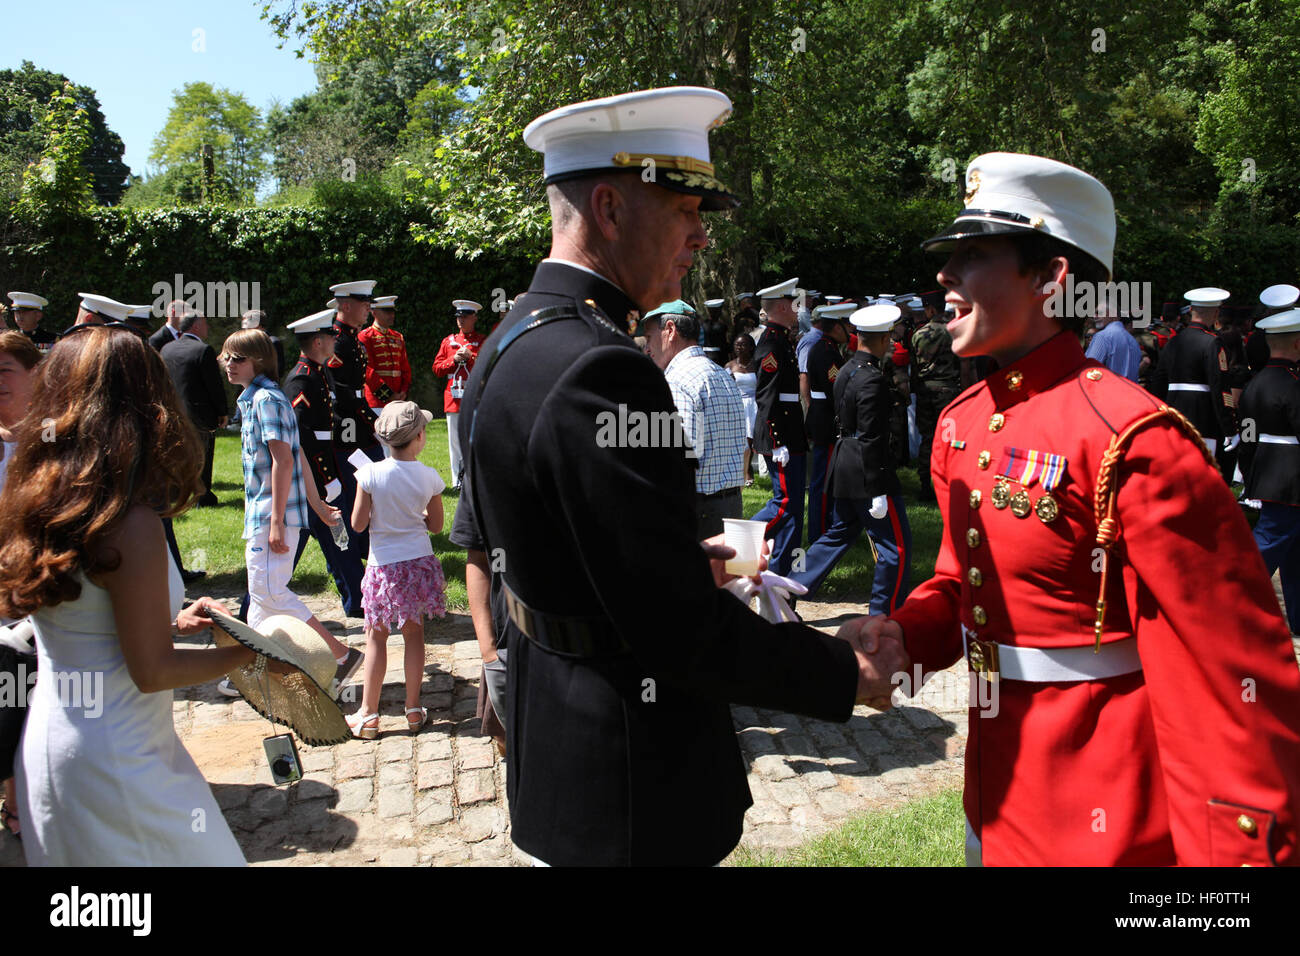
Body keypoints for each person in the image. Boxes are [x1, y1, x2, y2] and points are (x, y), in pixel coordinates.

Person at [459, 86, 900, 867]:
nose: (700, 234)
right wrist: (842, 669)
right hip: (630, 774)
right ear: (609, 205)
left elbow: (530, 547)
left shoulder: (510, 339)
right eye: (684, 207)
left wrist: (662, 560)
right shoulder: (603, 367)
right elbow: (677, 630)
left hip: (559, 745)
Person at [857, 151, 1300, 866]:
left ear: (1050, 278)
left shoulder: (1135, 438)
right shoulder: (961, 423)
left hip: (1109, 810)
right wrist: (904, 641)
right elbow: (960, 584)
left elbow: (1231, 670)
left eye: (973, 255)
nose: (944, 275)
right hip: (996, 789)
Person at [0, 327, 254, 865]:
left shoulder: (42, 499)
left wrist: (169, 619)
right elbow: (151, 671)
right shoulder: (128, 522)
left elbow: (82, 618)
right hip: (119, 757)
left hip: (53, 747)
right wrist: (251, 656)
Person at [219, 328, 363, 695]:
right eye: (226, 357)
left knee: (271, 595)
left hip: (271, 515)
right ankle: (255, 671)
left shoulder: (267, 399)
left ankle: (340, 655)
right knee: (261, 604)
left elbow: (285, 461)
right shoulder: (261, 398)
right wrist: (316, 504)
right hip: (269, 514)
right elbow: (297, 454)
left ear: (259, 361)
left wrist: (278, 522)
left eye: (238, 358)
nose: (229, 364)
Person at [790, 303, 912, 611]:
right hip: (867, 468)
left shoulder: (847, 369)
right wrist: (878, 488)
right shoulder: (871, 378)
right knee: (894, 547)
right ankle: (886, 614)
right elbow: (871, 435)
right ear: (884, 339)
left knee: (838, 535)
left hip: (844, 461)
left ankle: (787, 586)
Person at [346, 402, 447, 738]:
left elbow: (358, 524)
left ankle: (369, 713)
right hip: (417, 562)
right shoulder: (429, 477)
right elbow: (435, 526)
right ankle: (414, 708)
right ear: (420, 437)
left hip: (382, 566)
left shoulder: (370, 475)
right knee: (414, 635)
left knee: (376, 638)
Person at [280, 309, 365, 620]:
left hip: (325, 478)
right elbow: (300, 439)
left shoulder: (317, 372)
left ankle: (356, 598)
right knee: (288, 551)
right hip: (311, 483)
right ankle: (257, 603)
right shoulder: (302, 379)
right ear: (318, 341)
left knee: (340, 539)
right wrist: (323, 479)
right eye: (330, 336)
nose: (335, 340)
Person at [641, 299, 746, 539]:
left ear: (670, 330)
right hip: (730, 507)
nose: (647, 348)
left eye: (649, 338)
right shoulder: (721, 374)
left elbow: (679, 458)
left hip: (697, 512)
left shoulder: (677, 381)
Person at [1237, 307, 1300, 636]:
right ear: (1297, 345)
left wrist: (1250, 476)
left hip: (1267, 474)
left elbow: (1246, 438)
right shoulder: (1293, 384)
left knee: (1293, 554)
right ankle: (1232, 600)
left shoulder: (1254, 385)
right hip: (1292, 480)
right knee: (1269, 541)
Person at [0, 331, 40, 838]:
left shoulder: (57, 442)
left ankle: (18, 803)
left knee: (22, 699)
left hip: (35, 596)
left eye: (4, 373)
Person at [752, 276, 808, 576]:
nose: (797, 310)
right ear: (784, 306)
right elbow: (767, 396)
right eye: (794, 304)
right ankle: (743, 541)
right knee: (784, 503)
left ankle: (781, 577)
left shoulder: (781, 338)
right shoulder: (772, 342)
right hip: (781, 435)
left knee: (794, 511)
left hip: (791, 433)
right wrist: (777, 440)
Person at [1152, 287, 1238, 479]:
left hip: (1174, 414)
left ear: (1190, 310)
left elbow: (1158, 381)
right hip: (1202, 417)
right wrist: (1229, 427)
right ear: (1216, 313)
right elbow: (1220, 387)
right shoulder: (1212, 343)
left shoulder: (1174, 341)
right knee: (1200, 474)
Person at [327, 280, 384, 559]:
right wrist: (373, 422)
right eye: (364, 305)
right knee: (353, 489)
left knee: (369, 485)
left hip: (357, 422)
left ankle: (363, 545)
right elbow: (343, 393)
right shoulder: (338, 341)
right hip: (346, 427)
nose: (368, 309)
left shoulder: (350, 338)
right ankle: (351, 547)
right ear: (346, 306)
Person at [160, 308, 229, 507]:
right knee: (202, 457)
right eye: (205, 323)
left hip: (173, 413)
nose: (207, 327)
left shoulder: (167, 349)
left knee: (176, 455)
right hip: (199, 415)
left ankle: (175, 493)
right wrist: (222, 412)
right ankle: (202, 496)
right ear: (196, 326)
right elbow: (213, 386)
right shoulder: (203, 350)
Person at [804, 304, 852, 542]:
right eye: (847, 324)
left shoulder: (828, 348)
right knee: (823, 480)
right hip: (826, 418)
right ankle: (819, 531)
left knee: (827, 477)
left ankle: (826, 526)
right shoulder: (825, 351)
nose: (850, 329)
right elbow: (834, 388)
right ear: (836, 326)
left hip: (824, 416)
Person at [911, 289, 962, 501]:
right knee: (949, 438)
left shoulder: (918, 334)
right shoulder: (955, 332)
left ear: (931, 309)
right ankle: (949, 481)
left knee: (927, 437)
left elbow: (913, 367)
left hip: (925, 391)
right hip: (949, 391)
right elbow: (964, 365)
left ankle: (924, 484)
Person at [432, 300, 486, 490]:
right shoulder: (448, 341)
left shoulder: (482, 341)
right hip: (453, 398)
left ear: (474, 318)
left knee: (475, 440)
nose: (461, 321)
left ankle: (475, 480)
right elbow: (437, 368)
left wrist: (471, 356)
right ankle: (457, 482)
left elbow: (488, 365)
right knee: (454, 442)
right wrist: (453, 359)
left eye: (465, 317)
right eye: (458, 317)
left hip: (474, 397)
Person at [358, 295, 411, 413]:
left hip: (398, 399)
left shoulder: (398, 337)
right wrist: (388, 395)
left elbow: (405, 368)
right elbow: (367, 370)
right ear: (374, 312)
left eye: (392, 312)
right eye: (387, 312)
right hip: (376, 400)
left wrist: (403, 392)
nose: (391, 315)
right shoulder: (365, 336)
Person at [726, 333, 759, 485]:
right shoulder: (730, 366)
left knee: (751, 440)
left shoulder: (756, 365)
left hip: (755, 405)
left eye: (743, 344)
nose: (739, 347)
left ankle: (748, 469)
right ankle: (744, 472)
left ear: (751, 347)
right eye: (737, 345)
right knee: (741, 440)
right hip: (738, 405)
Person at [1085, 305, 1142, 382]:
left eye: (1099, 313)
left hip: (1105, 392)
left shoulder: (1103, 336)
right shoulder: (1134, 342)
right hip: (1130, 392)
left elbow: (1087, 372)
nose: (1094, 316)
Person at [241, 310, 285, 380]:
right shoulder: (248, 344)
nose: (244, 330)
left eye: (247, 327)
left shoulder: (272, 342)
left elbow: (279, 371)